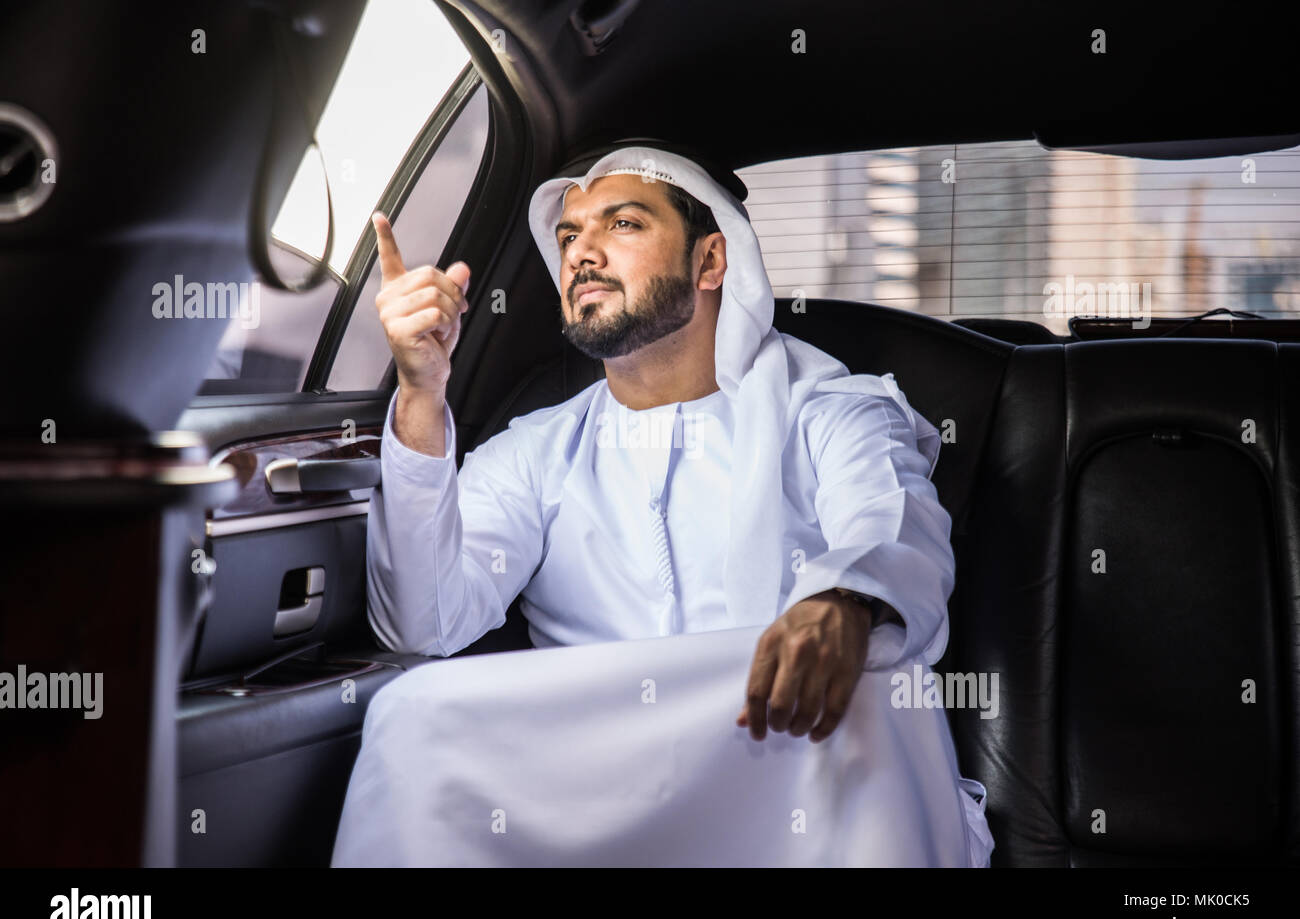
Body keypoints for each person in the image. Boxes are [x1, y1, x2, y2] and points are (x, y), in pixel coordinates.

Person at [332, 146, 994, 867]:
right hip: (604, 781)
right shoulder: (538, 450)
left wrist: (841, 603)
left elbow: (891, 524)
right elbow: (421, 624)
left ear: (710, 262)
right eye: (568, 236)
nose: (581, 252)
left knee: (865, 687)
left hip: (791, 763)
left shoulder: (830, 410)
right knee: (411, 712)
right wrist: (422, 394)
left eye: (621, 224)